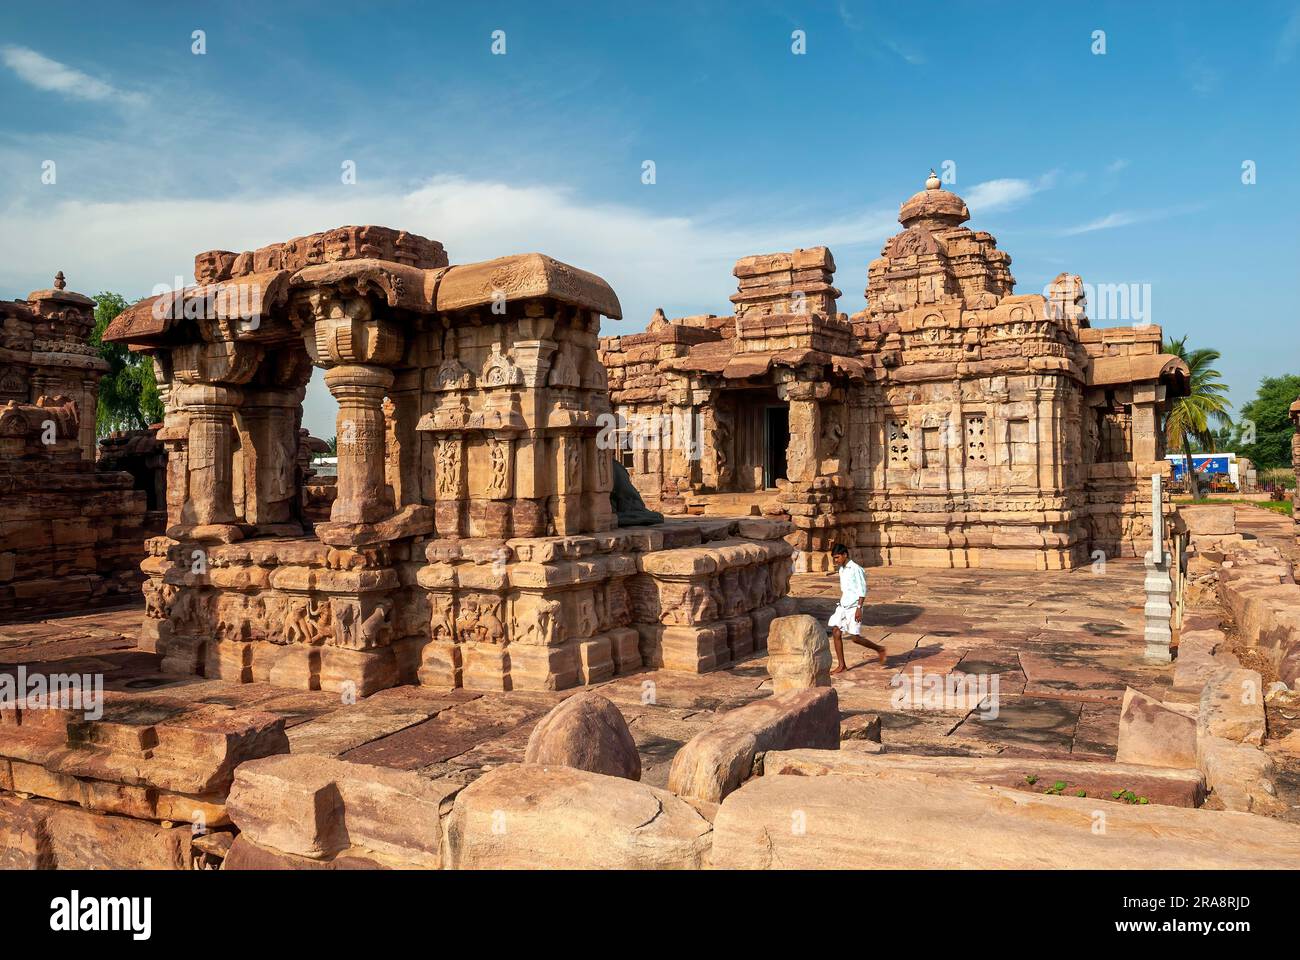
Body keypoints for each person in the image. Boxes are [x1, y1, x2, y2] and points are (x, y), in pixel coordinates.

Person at [828, 543, 887, 674]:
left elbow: (862, 590)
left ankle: (879, 649)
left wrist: (859, 608)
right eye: (834, 558)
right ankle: (842, 665)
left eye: (837, 557)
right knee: (836, 632)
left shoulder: (856, 569)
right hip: (843, 605)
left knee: (855, 638)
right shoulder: (842, 569)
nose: (835, 560)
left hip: (854, 606)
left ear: (844, 555)